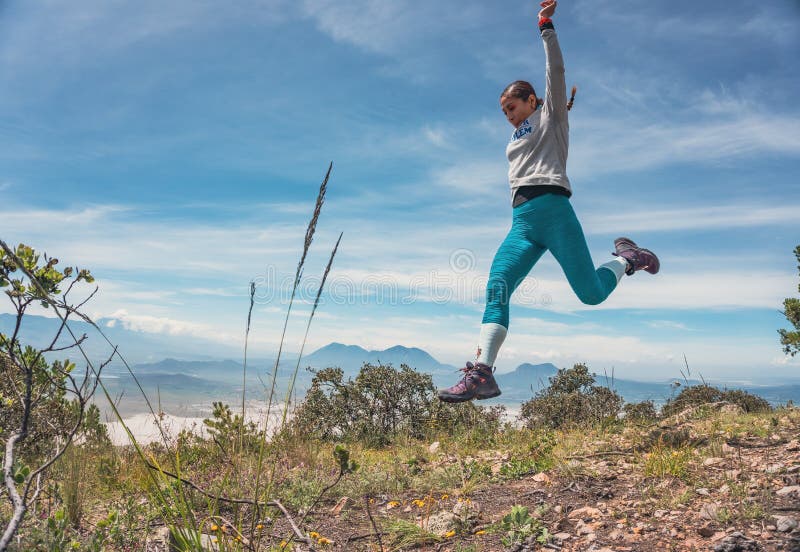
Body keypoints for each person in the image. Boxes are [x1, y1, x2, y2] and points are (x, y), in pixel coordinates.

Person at [438, 0, 659, 403]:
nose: (508, 114)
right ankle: (482, 374)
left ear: (533, 100)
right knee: (497, 286)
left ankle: (628, 258)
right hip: (522, 222)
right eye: (504, 110)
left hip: (555, 212)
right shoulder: (516, 135)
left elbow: (555, 72)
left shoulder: (551, 116)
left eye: (513, 106)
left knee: (590, 294)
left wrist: (546, 27)